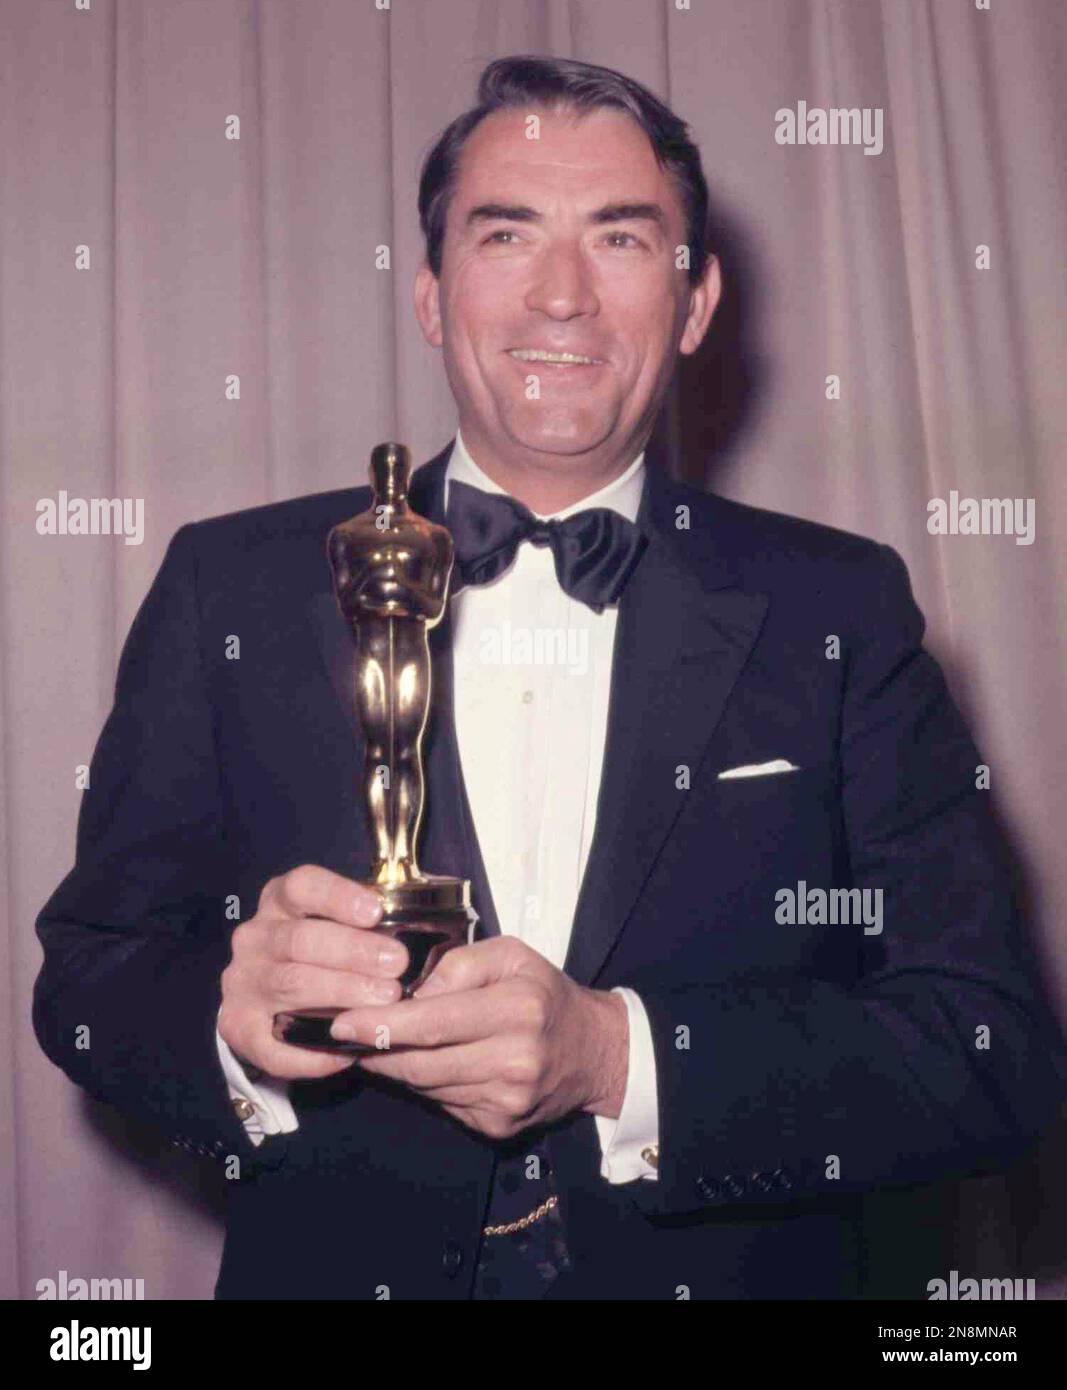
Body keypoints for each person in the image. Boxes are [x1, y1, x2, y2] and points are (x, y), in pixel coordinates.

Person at [33, 54, 1065, 1301]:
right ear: (428, 292)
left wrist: (617, 1058)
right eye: (506, 233)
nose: (561, 297)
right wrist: (230, 1028)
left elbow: (987, 1047)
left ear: (694, 304)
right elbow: (90, 973)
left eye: (620, 239)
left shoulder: (837, 606)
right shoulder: (233, 585)